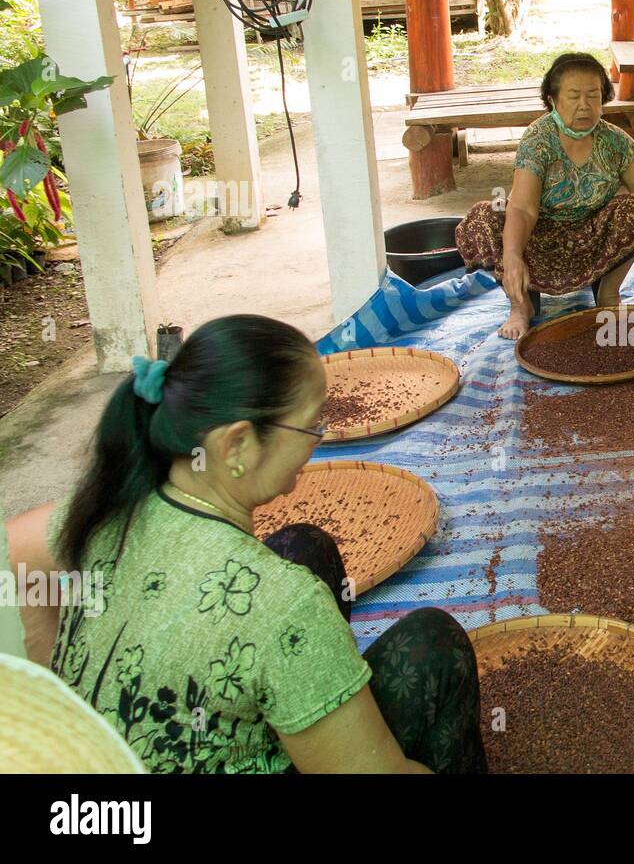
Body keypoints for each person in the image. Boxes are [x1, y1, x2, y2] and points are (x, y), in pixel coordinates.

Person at [5, 315, 485, 773]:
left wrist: (62, 691)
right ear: (236, 446)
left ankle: (306, 705)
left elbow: (18, 547)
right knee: (432, 644)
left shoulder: (111, 505)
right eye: (310, 426)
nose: (318, 440)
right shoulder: (284, 604)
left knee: (303, 543)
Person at [456, 52, 634, 339]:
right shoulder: (539, 139)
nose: (584, 106)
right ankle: (521, 305)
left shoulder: (615, 142)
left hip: (588, 240)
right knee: (486, 215)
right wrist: (512, 258)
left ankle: (608, 294)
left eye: (593, 95)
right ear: (553, 100)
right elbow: (523, 209)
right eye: (574, 96)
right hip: (537, 241)